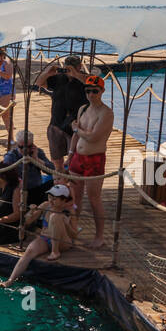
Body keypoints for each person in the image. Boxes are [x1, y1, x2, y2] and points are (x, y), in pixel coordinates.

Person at [65, 74, 114, 249]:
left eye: (95, 91)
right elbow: (75, 137)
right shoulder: (83, 109)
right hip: (78, 158)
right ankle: (73, 230)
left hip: (94, 159)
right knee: (75, 198)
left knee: (94, 199)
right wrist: (70, 155)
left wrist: (77, 129)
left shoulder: (106, 113)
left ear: (102, 91)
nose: (91, 94)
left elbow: (93, 137)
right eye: (88, 91)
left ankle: (99, 236)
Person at [1, 184, 79, 285]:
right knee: (29, 252)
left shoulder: (69, 211)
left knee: (55, 217)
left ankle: (55, 252)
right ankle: (10, 280)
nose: (51, 200)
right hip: (45, 238)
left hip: (63, 242)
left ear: (64, 200)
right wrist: (31, 211)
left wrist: (66, 224)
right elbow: (27, 222)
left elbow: (74, 236)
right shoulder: (45, 205)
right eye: (50, 197)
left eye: (54, 199)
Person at [34, 55, 89, 174]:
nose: (68, 70)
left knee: (74, 163)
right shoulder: (59, 78)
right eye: (67, 67)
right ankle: (61, 185)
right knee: (57, 162)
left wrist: (76, 74)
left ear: (79, 66)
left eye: (73, 67)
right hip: (56, 123)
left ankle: (72, 189)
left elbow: (94, 85)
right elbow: (39, 83)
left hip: (75, 126)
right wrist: (48, 73)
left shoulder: (85, 78)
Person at [0, 130, 51, 195]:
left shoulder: (37, 152)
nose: (24, 150)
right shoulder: (11, 156)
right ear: (17, 145)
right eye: (21, 147)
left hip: (36, 189)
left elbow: (52, 170)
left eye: (28, 146)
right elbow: (4, 175)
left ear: (33, 144)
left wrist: (36, 159)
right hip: (18, 192)